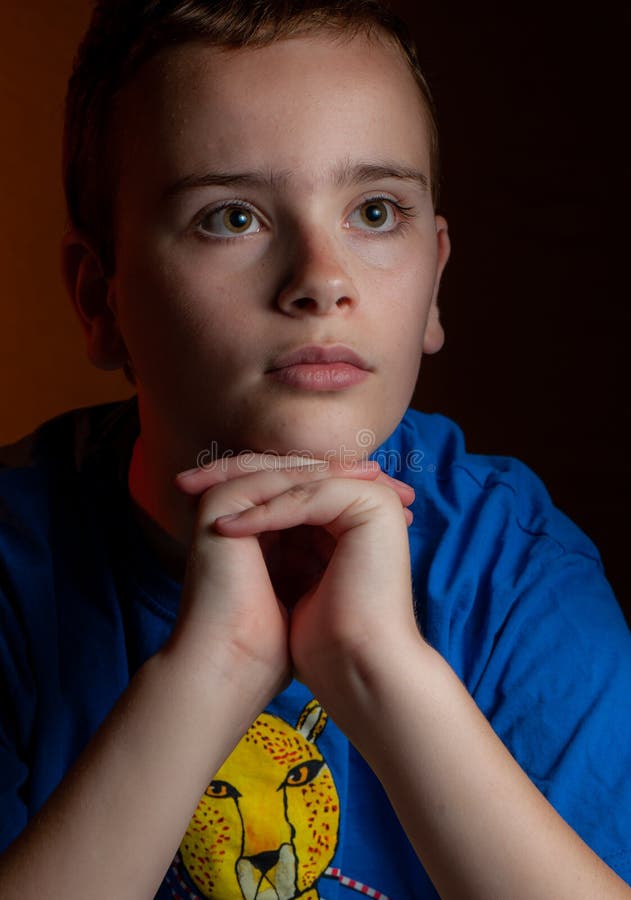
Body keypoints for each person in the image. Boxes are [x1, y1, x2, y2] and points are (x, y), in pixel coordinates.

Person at [0, 1, 630, 897]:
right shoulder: (15, 572)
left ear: (435, 280)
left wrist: (381, 666)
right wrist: (209, 675)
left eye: (374, 211)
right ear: (100, 299)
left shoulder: (516, 576)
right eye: (230, 217)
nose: (321, 279)